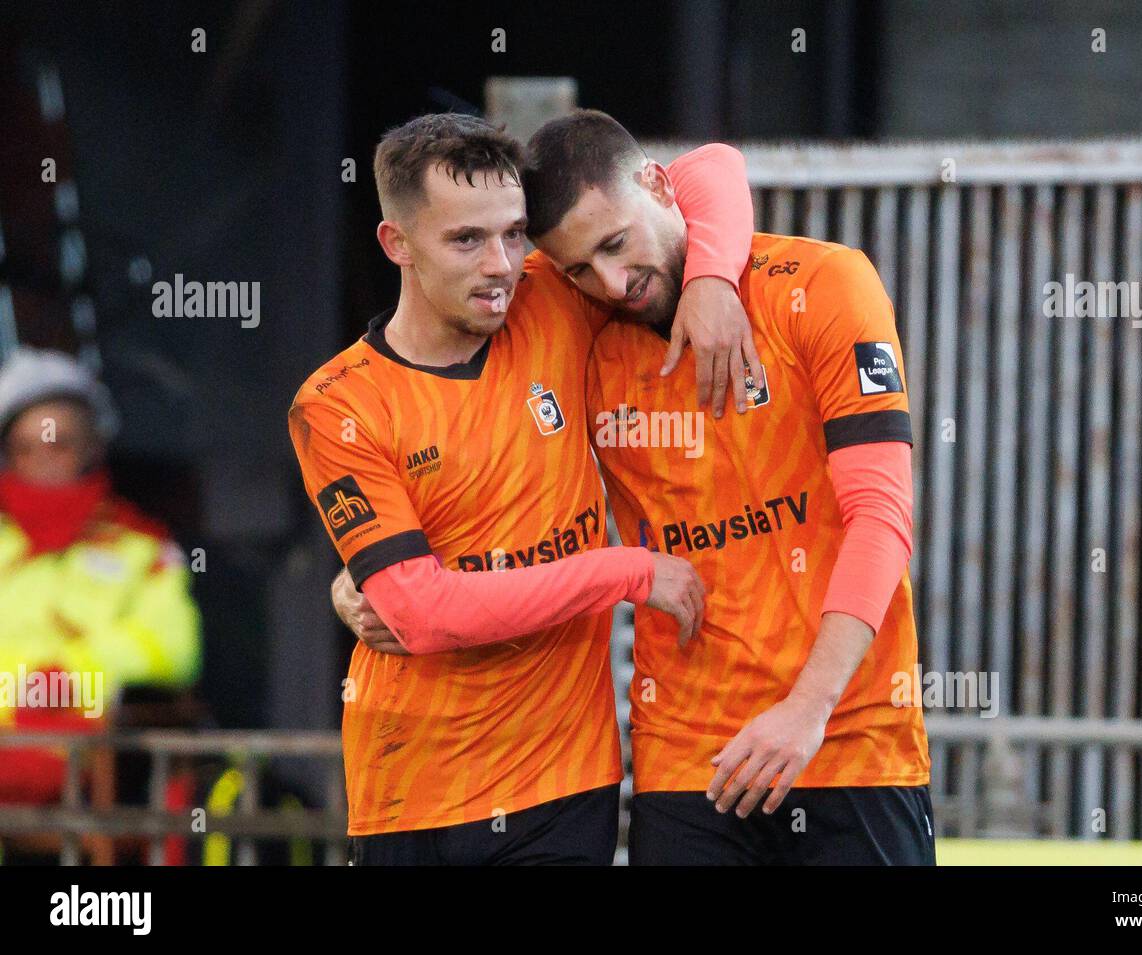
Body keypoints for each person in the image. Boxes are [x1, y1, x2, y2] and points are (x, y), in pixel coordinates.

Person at [336, 109, 934, 865]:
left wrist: (808, 707)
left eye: (617, 244)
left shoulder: (824, 284)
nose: (613, 282)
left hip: (849, 737)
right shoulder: (581, 318)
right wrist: (369, 570)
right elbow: (468, 456)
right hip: (688, 759)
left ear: (656, 185)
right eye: (582, 266)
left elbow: (881, 516)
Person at [288, 112, 757, 865]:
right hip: (411, 789)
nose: (503, 262)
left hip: (559, 788)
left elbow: (711, 167)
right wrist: (626, 570)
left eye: (513, 233)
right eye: (466, 239)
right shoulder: (337, 403)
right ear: (396, 244)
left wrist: (707, 280)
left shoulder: (552, 295)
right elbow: (424, 613)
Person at [0, 347, 201, 813]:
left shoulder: (142, 546)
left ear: (92, 446)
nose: (43, 459)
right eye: (26, 447)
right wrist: (22, 688)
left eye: (59, 443)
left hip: (90, 749)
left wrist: (71, 675)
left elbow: (176, 648)